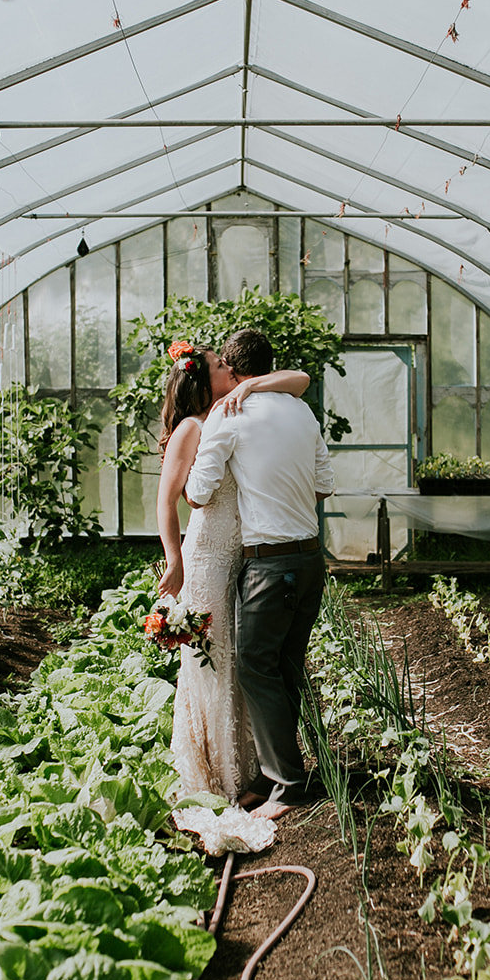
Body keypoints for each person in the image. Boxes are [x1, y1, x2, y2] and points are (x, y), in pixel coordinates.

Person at [155, 341, 310, 820]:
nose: (231, 369)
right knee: (214, 664)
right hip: (207, 557)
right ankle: (217, 774)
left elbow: (299, 379)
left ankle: (249, 772)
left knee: (240, 663)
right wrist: (174, 560)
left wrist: (255, 384)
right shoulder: (192, 427)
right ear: (204, 381)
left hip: (242, 556)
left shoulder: (238, 408)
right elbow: (170, 501)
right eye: (222, 366)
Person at [185, 328, 335, 822]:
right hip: (310, 558)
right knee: (287, 665)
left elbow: (200, 494)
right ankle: (287, 771)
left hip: (268, 564)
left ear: (232, 368)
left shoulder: (229, 416)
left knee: (253, 664)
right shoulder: (302, 410)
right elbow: (324, 486)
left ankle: (288, 785)